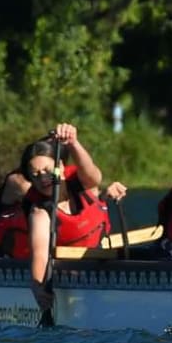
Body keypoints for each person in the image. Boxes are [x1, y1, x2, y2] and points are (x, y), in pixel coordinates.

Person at [24, 123, 110, 312]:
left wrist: (73, 143)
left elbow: (95, 176)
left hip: (103, 260)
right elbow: (40, 254)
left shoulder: (84, 184)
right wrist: (39, 287)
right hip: (72, 274)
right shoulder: (40, 212)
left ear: (61, 166)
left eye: (47, 170)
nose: (43, 178)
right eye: (35, 175)